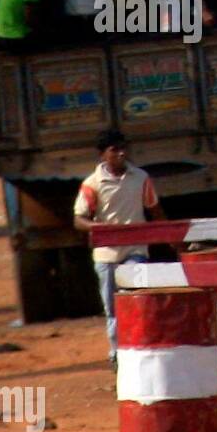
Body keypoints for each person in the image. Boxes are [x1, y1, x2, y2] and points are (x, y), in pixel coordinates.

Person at [72, 129, 165, 369]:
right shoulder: (92, 184)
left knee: (138, 298)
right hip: (107, 255)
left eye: (124, 148)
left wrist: (170, 236)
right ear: (103, 155)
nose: (121, 153)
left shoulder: (140, 178)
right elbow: (79, 219)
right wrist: (99, 228)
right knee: (113, 309)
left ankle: (143, 347)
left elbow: (154, 210)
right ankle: (117, 353)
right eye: (114, 150)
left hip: (135, 250)